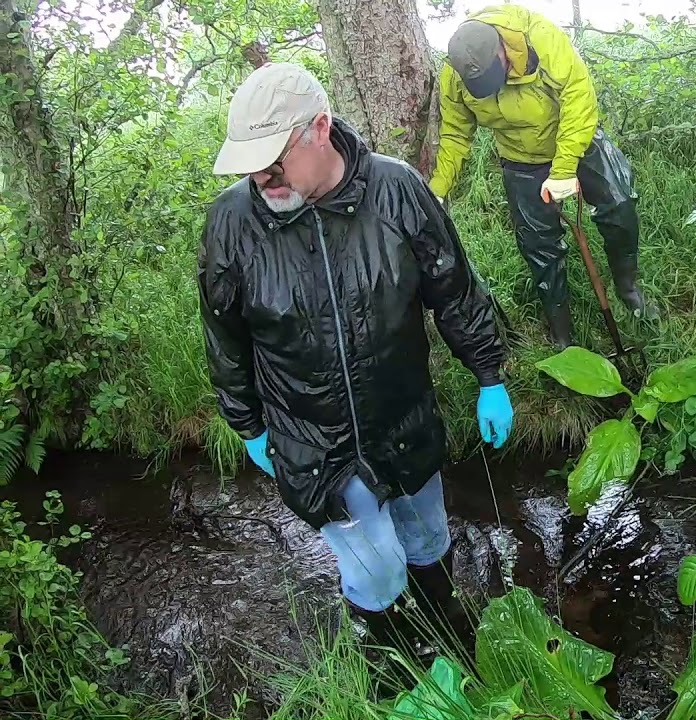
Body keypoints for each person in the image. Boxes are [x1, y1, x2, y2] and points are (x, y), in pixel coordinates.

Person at [197, 62, 513, 658]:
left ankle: (446, 640)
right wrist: (249, 425)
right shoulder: (233, 224)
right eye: (251, 165)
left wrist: (488, 374)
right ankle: (389, 671)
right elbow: (224, 332)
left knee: (427, 539)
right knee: (376, 571)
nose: (261, 177)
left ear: (319, 129)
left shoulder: (395, 189)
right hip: (313, 440)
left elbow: (453, 287)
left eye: (274, 159)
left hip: (403, 416)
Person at [430, 4, 656, 349]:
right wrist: (438, 189)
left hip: (576, 136)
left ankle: (628, 289)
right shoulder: (455, 75)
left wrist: (564, 168)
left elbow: (578, 97)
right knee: (539, 246)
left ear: (503, 51)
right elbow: (456, 134)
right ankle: (562, 333)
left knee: (620, 204)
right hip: (521, 159)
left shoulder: (540, 38)